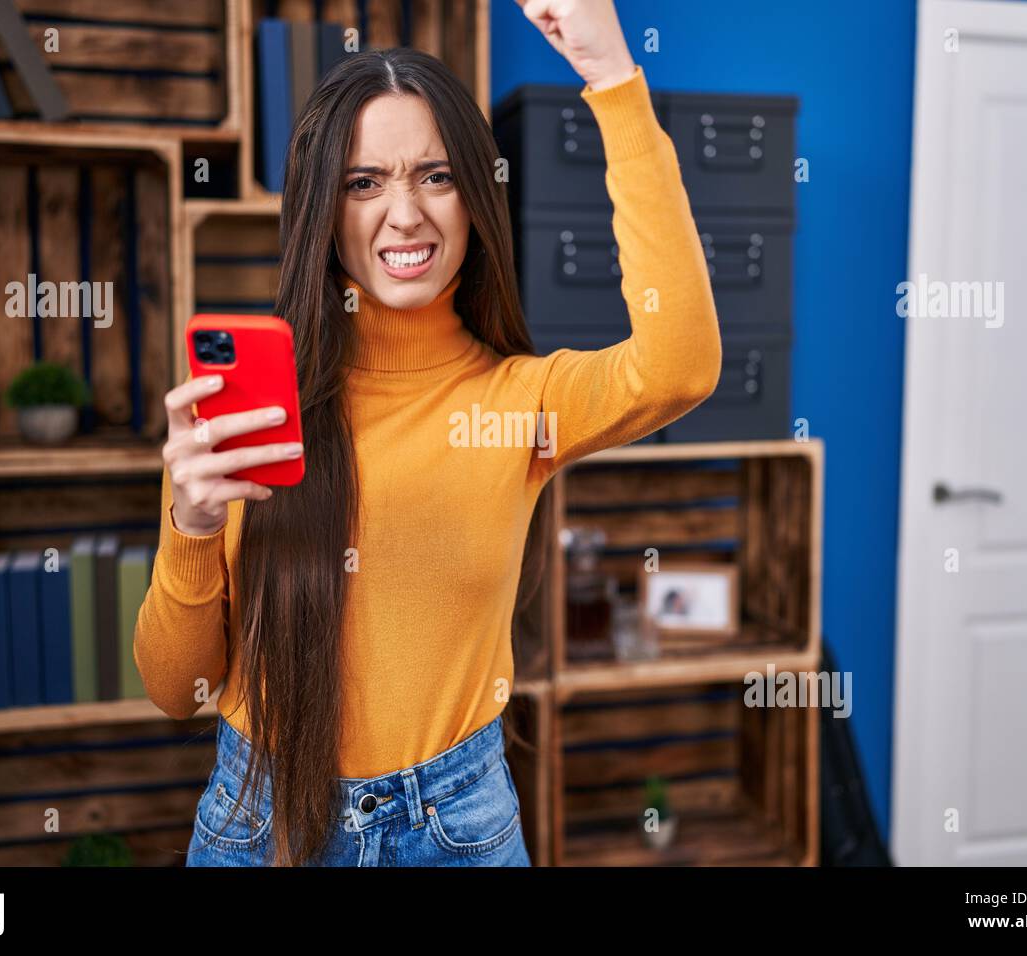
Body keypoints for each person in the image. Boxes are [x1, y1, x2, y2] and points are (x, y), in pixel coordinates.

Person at [134, 0, 721, 867]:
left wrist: (612, 79)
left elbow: (680, 363)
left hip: (457, 823)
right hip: (265, 824)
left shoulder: (520, 402)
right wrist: (191, 526)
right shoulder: (246, 415)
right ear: (322, 214)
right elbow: (174, 691)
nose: (404, 214)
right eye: (364, 182)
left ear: (475, 195)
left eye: (435, 176)